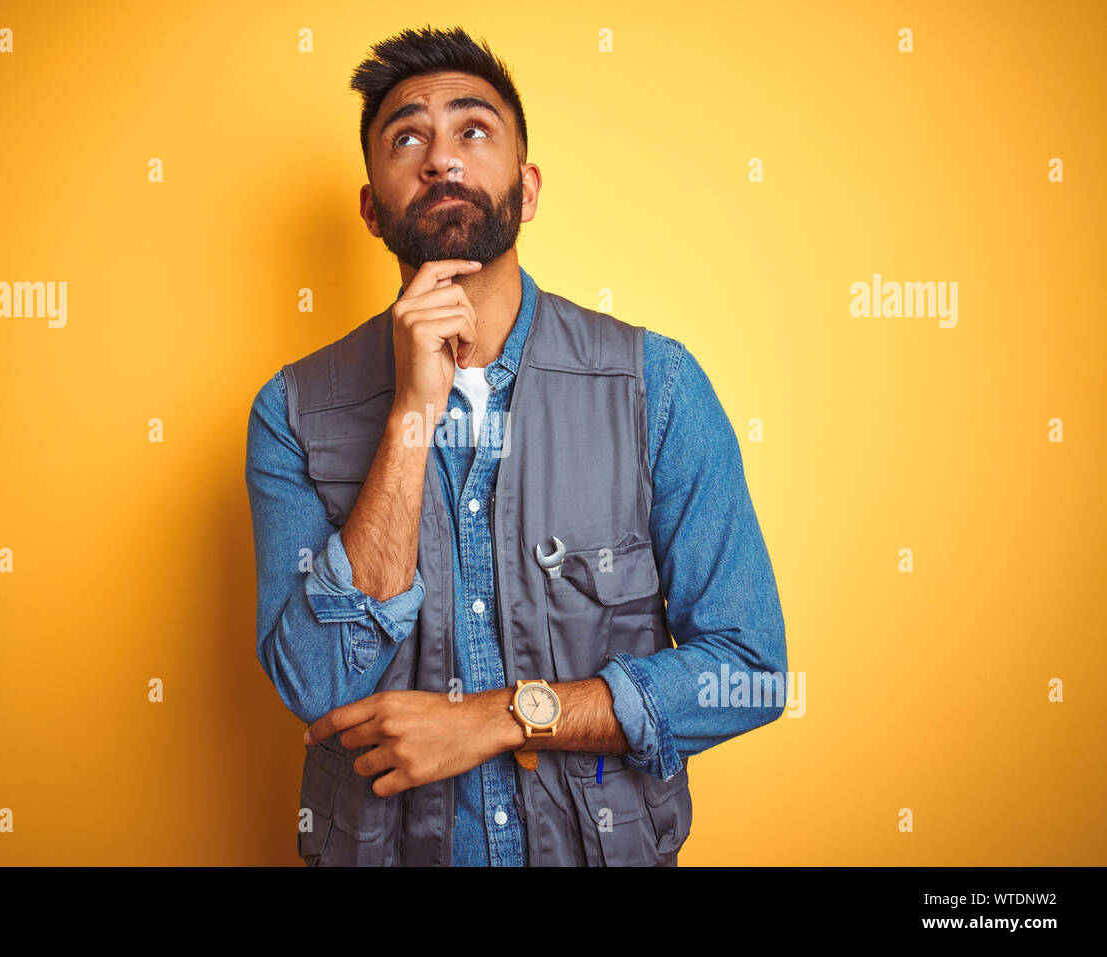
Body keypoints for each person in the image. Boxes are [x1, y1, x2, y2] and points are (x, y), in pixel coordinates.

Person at [245, 25, 787, 866]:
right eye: (407, 138)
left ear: (526, 190)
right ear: (371, 206)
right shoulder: (290, 412)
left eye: (472, 130)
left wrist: (496, 717)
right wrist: (412, 416)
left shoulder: (658, 386)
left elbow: (750, 669)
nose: (440, 158)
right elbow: (316, 686)